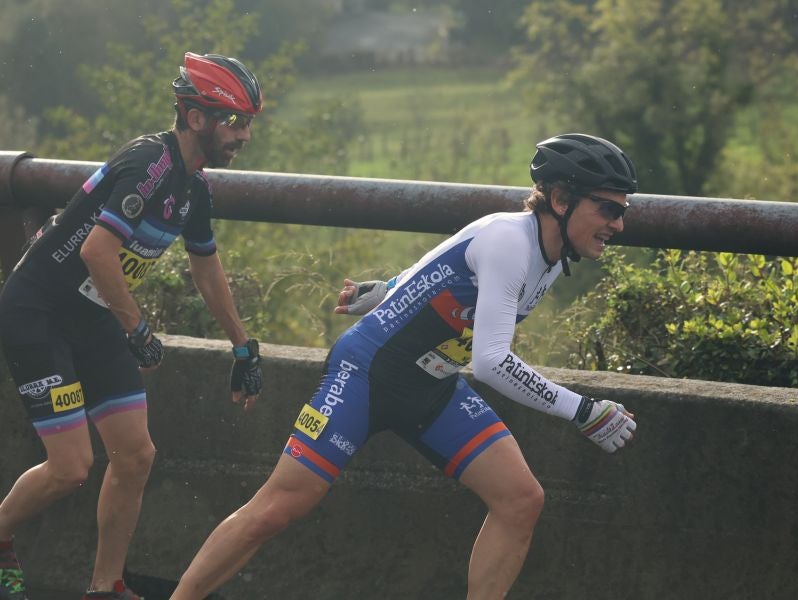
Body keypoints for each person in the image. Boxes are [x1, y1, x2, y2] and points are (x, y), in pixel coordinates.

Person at [170, 133, 639, 599]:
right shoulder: (509, 240)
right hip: (367, 373)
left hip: (430, 387)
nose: (618, 224)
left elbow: (437, 262)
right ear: (560, 198)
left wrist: (385, 290)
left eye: (622, 211)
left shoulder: (554, 256)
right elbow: (492, 362)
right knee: (276, 509)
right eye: (609, 209)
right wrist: (580, 409)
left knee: (521, 501)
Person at [0, 52, 265, 600]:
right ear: (196, 118)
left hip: (92, 315)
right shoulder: (152, 166)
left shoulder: (194, 186)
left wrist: (243, 346)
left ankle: (106, 586)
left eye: (248, 124)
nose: (243, 135)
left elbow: (205, 264)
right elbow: (98, 251)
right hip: (39, 312)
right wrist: (138, 327)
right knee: (71, 466)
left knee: (136, 455)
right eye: (234, 122)